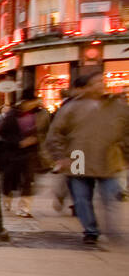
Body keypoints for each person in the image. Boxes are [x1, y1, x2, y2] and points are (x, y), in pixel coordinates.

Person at [42, 72, 129, 244]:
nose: (101, 84)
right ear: (87, 87)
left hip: (108, 156)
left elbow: (126, 131)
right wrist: (59, 156)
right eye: (96, 82)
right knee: (82, 198)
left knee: (110, 196)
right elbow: (55, 133)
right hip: (78, 155)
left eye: (102, 81)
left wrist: (125, 152)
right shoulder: (72, 108)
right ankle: (91, 230)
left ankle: (111, 229)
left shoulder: (116, 106)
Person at [0, 89, 49, 217]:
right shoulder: (12, 115)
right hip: (13, 152)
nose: (34, 104)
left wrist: (37, 141)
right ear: (26, 102)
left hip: (31, 153)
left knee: (28, 180)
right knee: (9, 179)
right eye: (32, 101)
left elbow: (45, 131)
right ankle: (7, 198)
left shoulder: (40, 114)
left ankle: (24, 208)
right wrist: (19, 142)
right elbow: (3, 132)